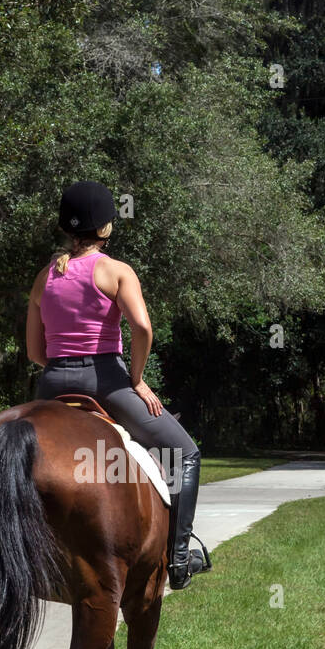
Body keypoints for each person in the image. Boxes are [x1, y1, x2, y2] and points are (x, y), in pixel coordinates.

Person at [26, 180, 211, 590]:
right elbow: (142, 327)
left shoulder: (44, 277)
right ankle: (179, 561)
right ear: (106, 227)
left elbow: (35, 352)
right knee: (185, 455)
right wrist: (137, 379)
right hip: (104, 379)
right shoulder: (116, 271)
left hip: (52, 381)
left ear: (65, 228)